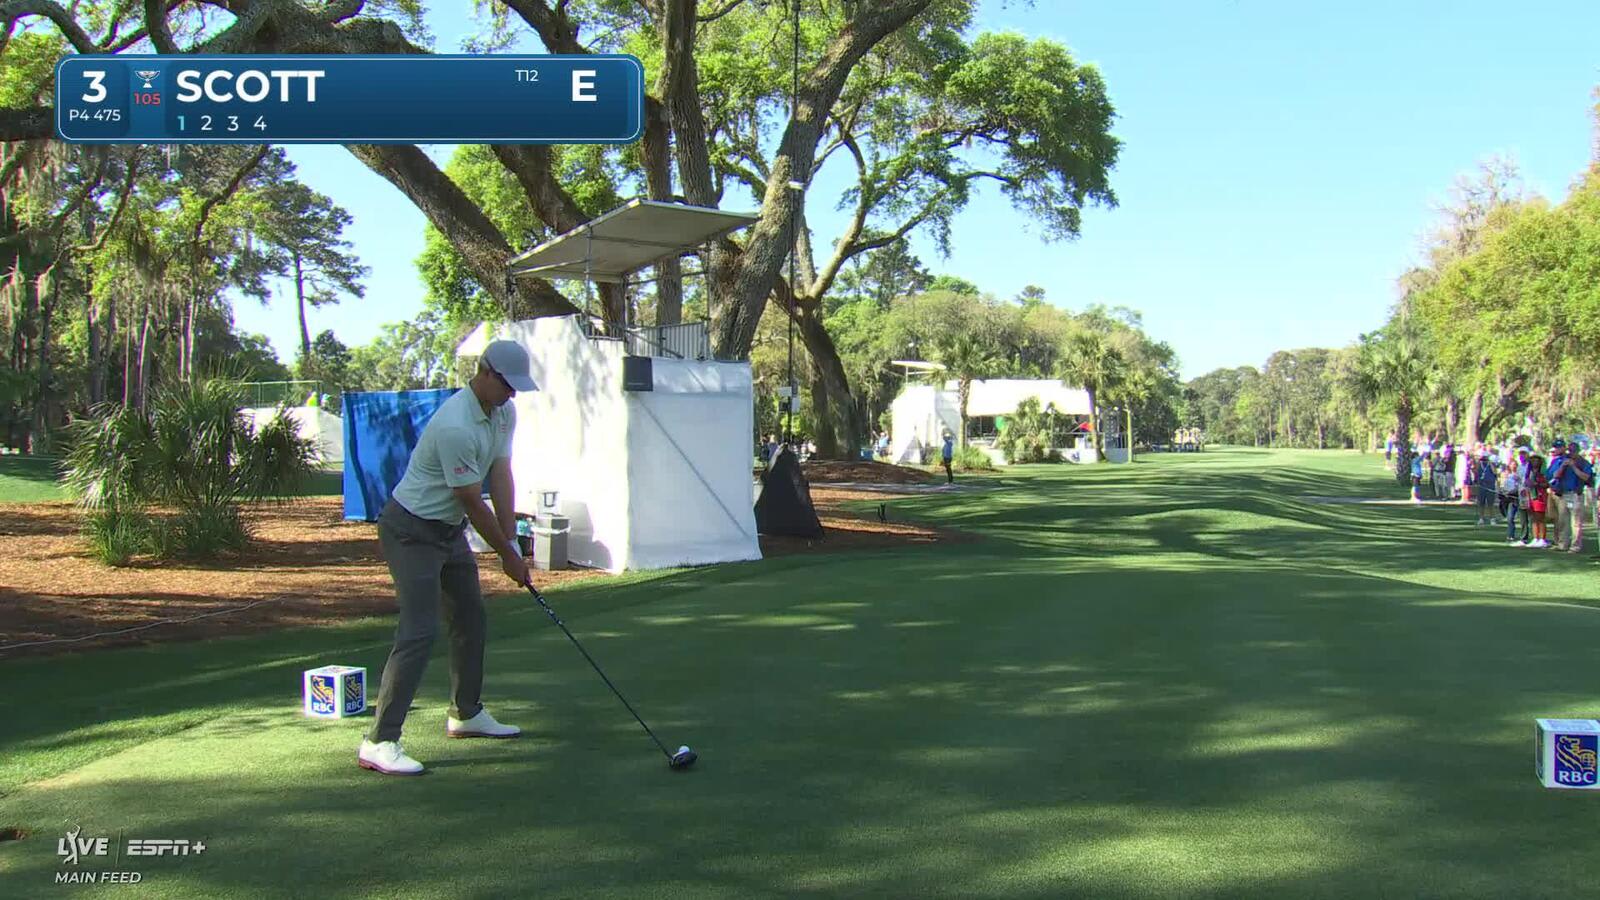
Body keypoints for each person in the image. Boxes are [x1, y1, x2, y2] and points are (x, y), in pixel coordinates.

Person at [359, 340, 538, 776]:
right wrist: (506, 556)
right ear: (485, 372)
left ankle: (466, 713)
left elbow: (501, 473)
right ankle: (379, 741)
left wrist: (512, 541)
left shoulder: (502, 413)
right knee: (420, 629)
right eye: (507, 385)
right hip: (410, 530)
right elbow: (472, 500)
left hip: (447, 530)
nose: (513, 394)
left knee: (470, 618)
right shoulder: (456, 424)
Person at [1546, 438, 1595, 554]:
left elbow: (1586, 477)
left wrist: (1574, 467)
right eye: (1570, 450)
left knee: (1576, 522)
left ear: (1577, 451)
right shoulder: (1562, 460)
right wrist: (1563, 466)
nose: (1571, 453)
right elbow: (1554, 476)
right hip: (1563, 494)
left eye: (1573, 451)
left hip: (1576, 494)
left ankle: (1576, 545)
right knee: (1563, 520)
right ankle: (1563, 544)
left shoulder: (1583, 462)